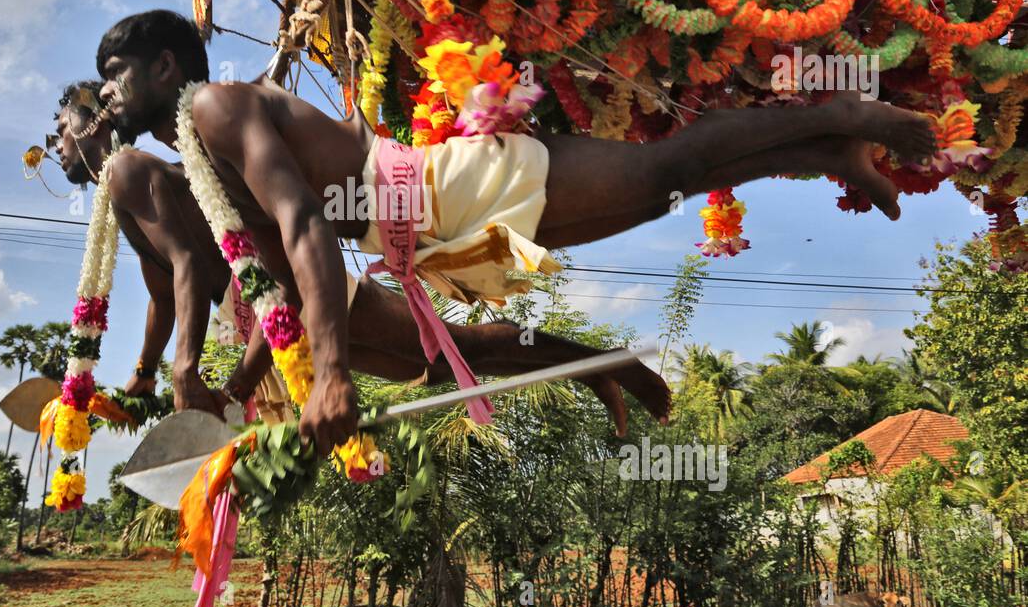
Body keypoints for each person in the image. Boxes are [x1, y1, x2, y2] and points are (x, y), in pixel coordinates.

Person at [99, 9, 935, 450]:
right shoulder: (200, 165)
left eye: (115, 76)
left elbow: (307, 225)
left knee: (657, 174)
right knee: (653, 197)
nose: (106, 97)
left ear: (167, 68)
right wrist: (235, 395)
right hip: (423, 239)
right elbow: (283, 278)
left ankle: (841, 112)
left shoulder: (214, 107)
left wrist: (328, 376)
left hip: (437, 190)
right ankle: (831, 148)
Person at [54, 77, 671, 436]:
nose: (56, 145)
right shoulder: (122, 190)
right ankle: (593, 366)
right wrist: (142, 371)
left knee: (452, 351)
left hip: (291, 295)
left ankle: (600, 364)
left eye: (63, 129)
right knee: (431, 368)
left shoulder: (126, 169)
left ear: (94, 126)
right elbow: (163, 291)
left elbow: (190, 267)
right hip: (268, 308)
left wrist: (184, 371)